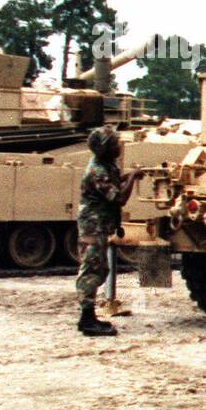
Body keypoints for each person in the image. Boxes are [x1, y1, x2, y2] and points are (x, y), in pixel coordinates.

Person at [75, 126, 138, 336]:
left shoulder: (105, 166)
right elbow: (118, 198)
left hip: (99, 224)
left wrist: (129, 176)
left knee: (99, 268)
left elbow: (112, 183)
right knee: (91, 269)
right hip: (94, 225)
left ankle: (89, 317)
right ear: (104, 148)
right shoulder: (98, 171)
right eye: (113, 143)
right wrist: (132, 179)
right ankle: (87, 320)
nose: (118, 146)